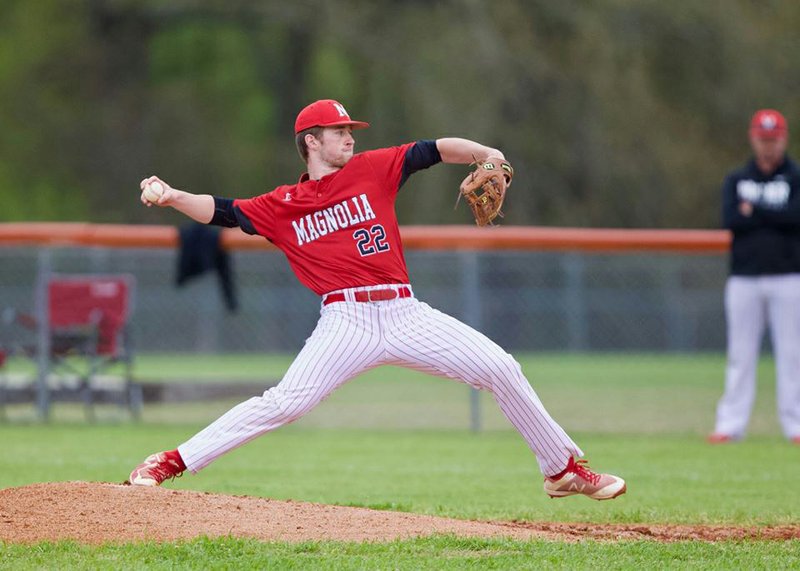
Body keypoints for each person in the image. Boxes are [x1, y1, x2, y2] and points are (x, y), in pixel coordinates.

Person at [129, 99, 626, 500]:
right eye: (339, 130)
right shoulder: (282, 205)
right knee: (285, 402)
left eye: (350, 129)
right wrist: (172, 195)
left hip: (405, 311)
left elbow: (434, 149)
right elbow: (221, 212)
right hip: (345, 321)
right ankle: (170, 461)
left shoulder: (374, 168)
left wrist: (486, 152)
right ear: (311, 141)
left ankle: (561, 469)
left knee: (501, 367)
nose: (349, 136)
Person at [709, 109, 800, 445]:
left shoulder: (795, 178)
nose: (768, 146)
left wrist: (756, 211)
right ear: (753, 138)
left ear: (783, 139)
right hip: (744, 278)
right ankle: (730, 424)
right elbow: (732, 219)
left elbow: (795, 218)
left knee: (792, 353)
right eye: (763, 139)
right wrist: (775, 216)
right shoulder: (737, 179)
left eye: (773, 139)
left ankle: (795, 424)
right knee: (740, 354)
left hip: (789, 277)